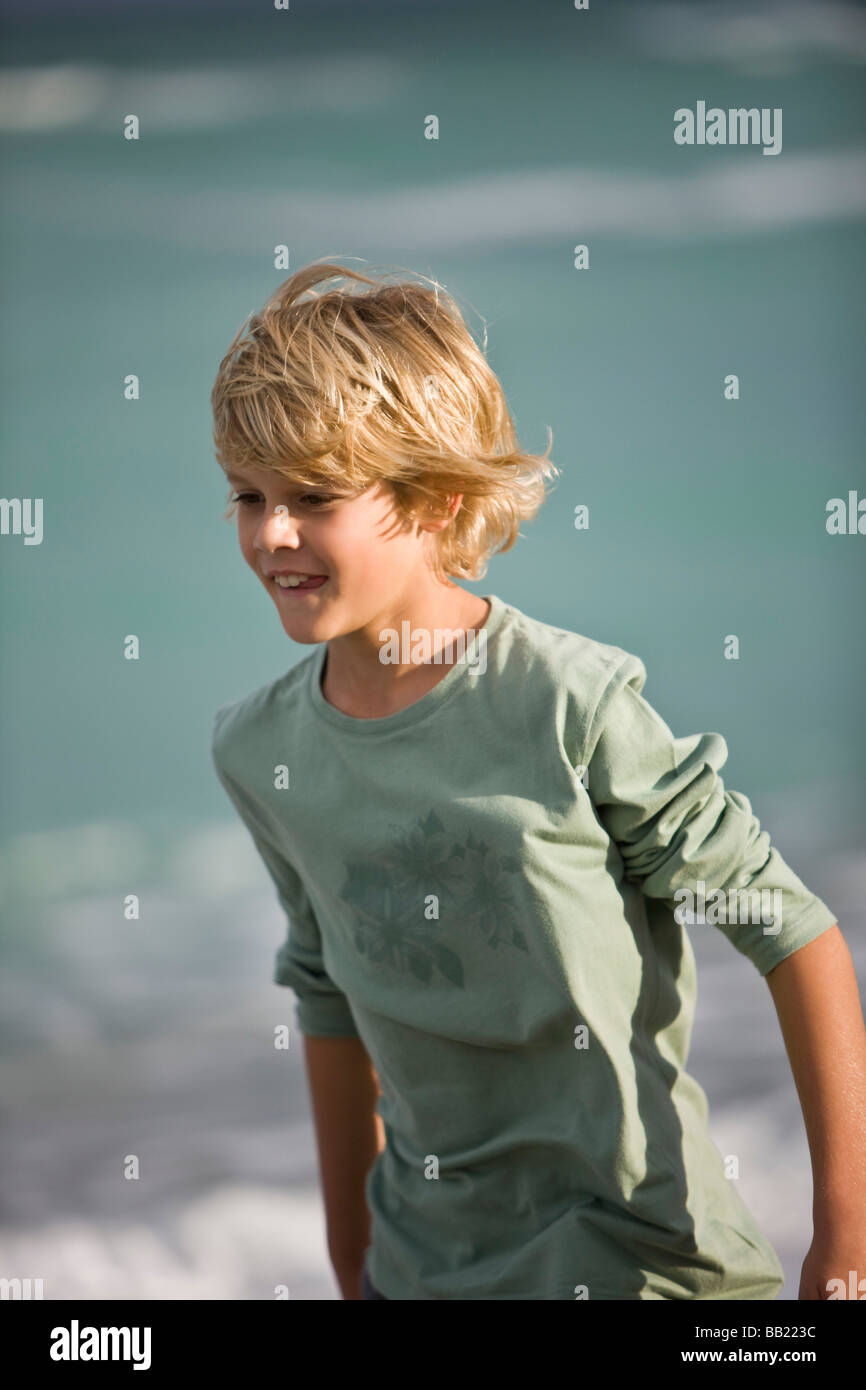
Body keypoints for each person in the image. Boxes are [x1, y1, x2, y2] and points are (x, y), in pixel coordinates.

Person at [209, 259, 866, 1301]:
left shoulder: (569, 704)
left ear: (436, 501)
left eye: (313, 498)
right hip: (421, 1275)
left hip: (646, 1268)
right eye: (248, 495)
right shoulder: (259, 749)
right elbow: (326, 990)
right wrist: (351, 1261)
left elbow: (792, 933)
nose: (269, 533)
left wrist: (845, 1245)